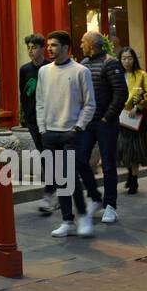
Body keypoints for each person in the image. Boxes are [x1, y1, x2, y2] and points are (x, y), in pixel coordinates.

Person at [36, 31, 97, 237]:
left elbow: (90, 104)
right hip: (50, 133)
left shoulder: (81, 71)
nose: (49, 49)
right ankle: (67, 221)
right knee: (61, 179)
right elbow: (40, 102)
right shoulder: (44, 71)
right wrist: (42, 128)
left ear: (65, 47)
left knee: (69, 176)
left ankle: (82, 215)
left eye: (53, 45)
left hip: (72, 132)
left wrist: (79, 127)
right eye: (48, 45)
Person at [79, 31, 127, 224]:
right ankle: (95, 197)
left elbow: (120, 93)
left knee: (108, 164)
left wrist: (108, 117)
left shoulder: (110, 63)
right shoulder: (83, 64)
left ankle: (110, 205)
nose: (80, 44)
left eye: (83, 42)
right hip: (87, 122)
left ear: (91, 45)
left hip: (105, 123)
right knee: (81, 160)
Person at [18, 33, 57, 214]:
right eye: (28, 47)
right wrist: (24, 116)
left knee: (51, 155)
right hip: (33, 119)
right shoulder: (25, 70)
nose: (30, 51)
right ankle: (52, 191)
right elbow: (23, 94)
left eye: (34, 47)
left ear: (42, 49)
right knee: (44, 155)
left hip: (51, 119)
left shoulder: (51, 67)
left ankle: (52, 192)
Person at [117, 46, 147, 195]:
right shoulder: (117, 75)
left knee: (135, 149)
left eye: (129, 58)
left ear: (134, 59)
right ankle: (130, 176)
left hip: (136, 117)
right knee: (124, 148)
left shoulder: (141, 74)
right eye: (124, 58)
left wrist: (137, 107)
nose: (126, 61)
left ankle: (134, 179)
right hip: (120, 116)